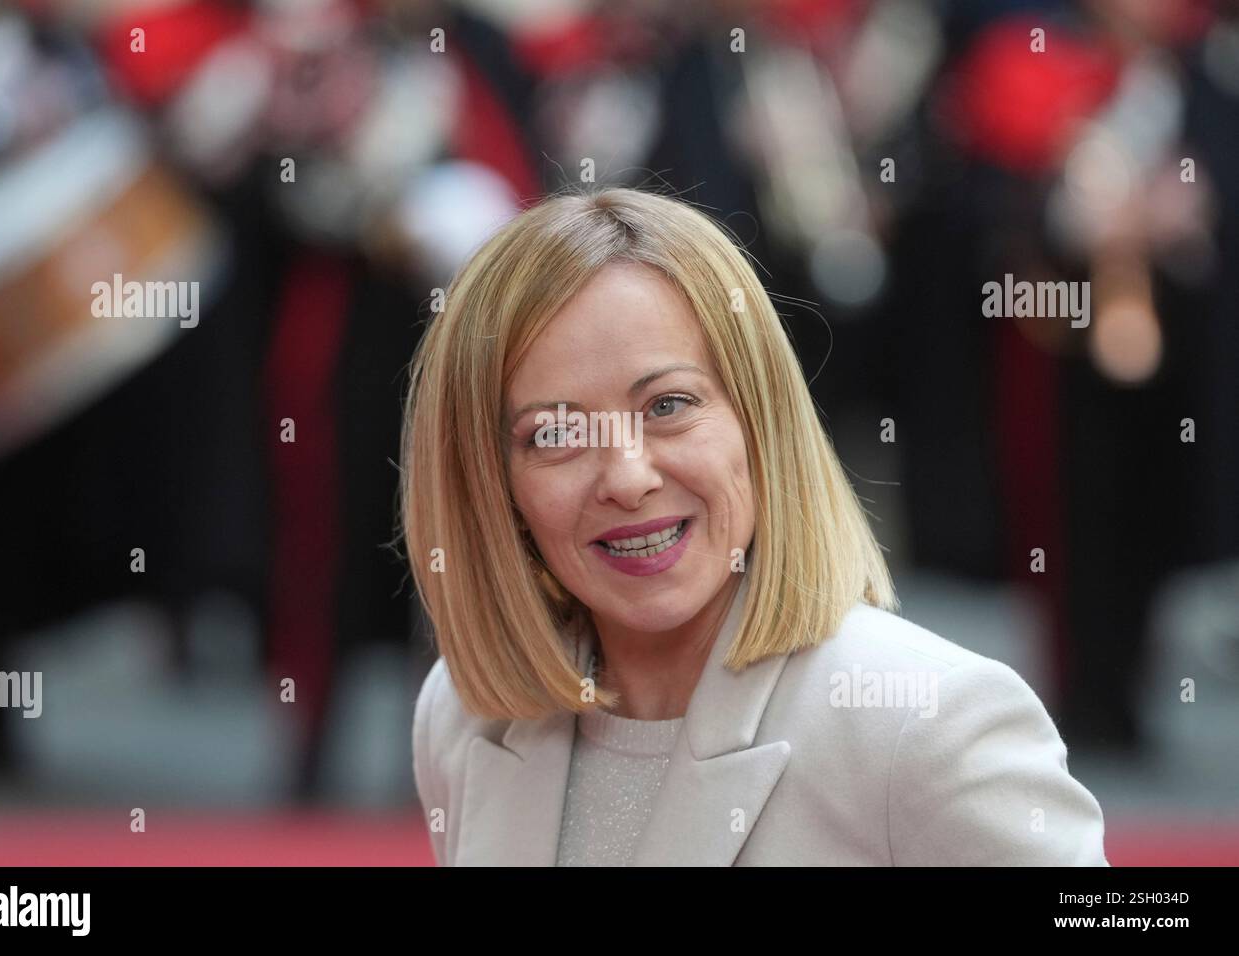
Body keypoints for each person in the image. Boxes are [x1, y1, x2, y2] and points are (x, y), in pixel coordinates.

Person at [401, 187, 1109, 866]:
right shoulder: (463, 716)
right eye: (555, 432)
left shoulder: (928, 720)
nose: (627, 476)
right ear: (491, 480)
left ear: (759, 419)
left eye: (668, 405)